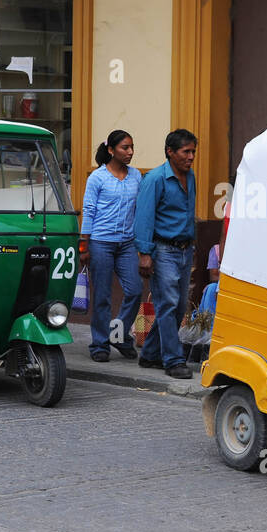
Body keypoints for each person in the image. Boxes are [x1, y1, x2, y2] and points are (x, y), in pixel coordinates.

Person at [134, 129, 198, 379]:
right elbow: (144, 217)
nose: (191, 157)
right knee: (168, 305)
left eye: (193, 151)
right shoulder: (155, 179)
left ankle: (150, 354)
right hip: (162, 250)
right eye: (186, 151)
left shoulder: (190, 176)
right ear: (170, 152)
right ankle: (173, 360)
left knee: (177, 306)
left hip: (185, 249)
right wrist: (145, 253)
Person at [80, 130, 143, 362]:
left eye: (132, 147)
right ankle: (99, 344)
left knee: (135, 290)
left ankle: (117, 334)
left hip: (127, 243)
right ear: (111, 150)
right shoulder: (97, 178)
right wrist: (84, 245)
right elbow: (89, 211)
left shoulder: (136, 176)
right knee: (103, 296)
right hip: (100, 243)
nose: (130, 152)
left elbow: (141, 209)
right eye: (125, 148)